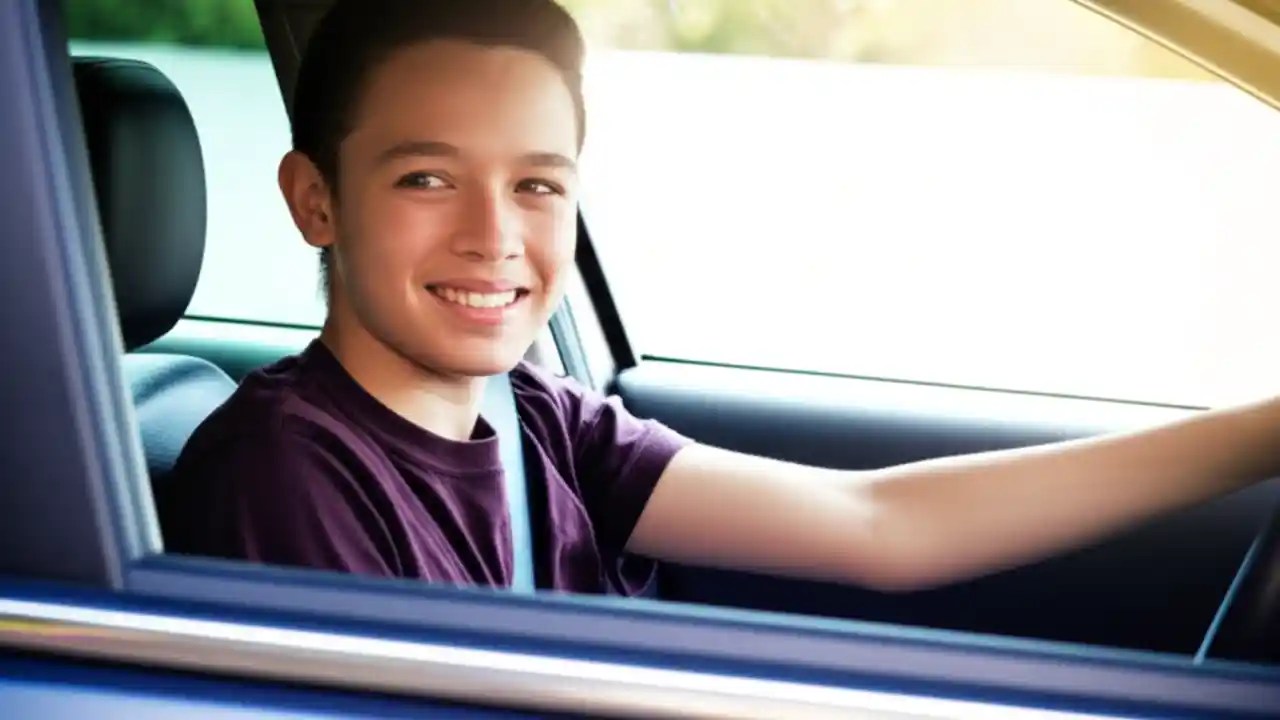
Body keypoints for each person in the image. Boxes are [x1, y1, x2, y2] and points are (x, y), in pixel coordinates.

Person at [159, 0, 1280, 596]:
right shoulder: (285, 474)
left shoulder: (533, 416)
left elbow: (877, 527)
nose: (492, 236)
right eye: (426, 178)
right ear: (316, 200)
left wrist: (1260, 436)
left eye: (536, 183)